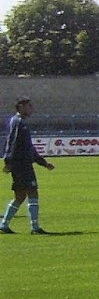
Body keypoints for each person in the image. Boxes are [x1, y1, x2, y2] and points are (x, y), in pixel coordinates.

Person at [2, 98, 56, 235]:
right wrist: (8, 161)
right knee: (32, 192)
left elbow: (28, 148)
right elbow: (12, 142)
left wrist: (43, 163)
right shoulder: (19, 122)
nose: (31, 109)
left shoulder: (20, 122)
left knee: (19, 196)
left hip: (20, 164)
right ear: (20, 107)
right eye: (29, 106)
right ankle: (35, 227)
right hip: (22, 165)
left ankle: (3, 225)